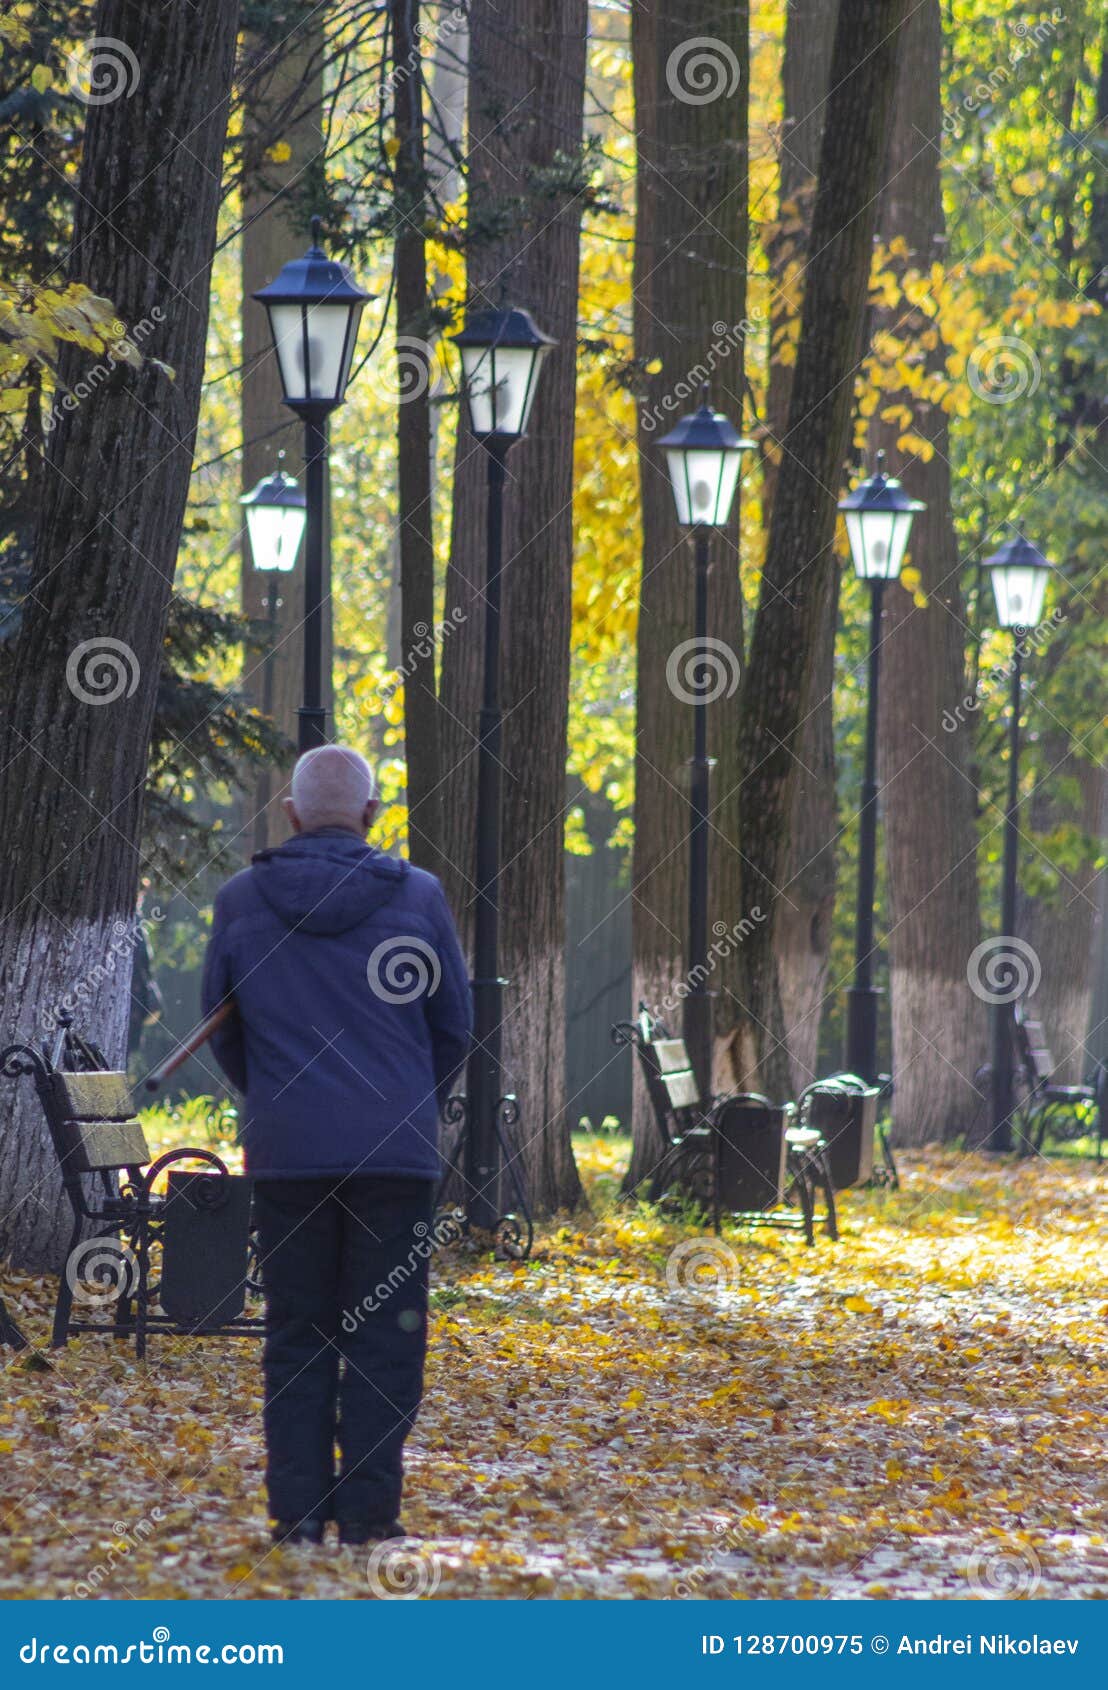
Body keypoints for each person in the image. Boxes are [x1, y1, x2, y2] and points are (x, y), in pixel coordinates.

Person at [201, 745, 471, 1547]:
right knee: (387, 1335)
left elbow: (224, 1026)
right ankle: (369, 1518)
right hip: (394, 1153)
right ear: (371, 815)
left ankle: (297, 1517)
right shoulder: (418, 897)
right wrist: (411, 1100)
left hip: (289, 1152)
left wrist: (275, 1098)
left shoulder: (241, 901)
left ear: (289, 814)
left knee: (297, 1333)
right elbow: (453, 1025)